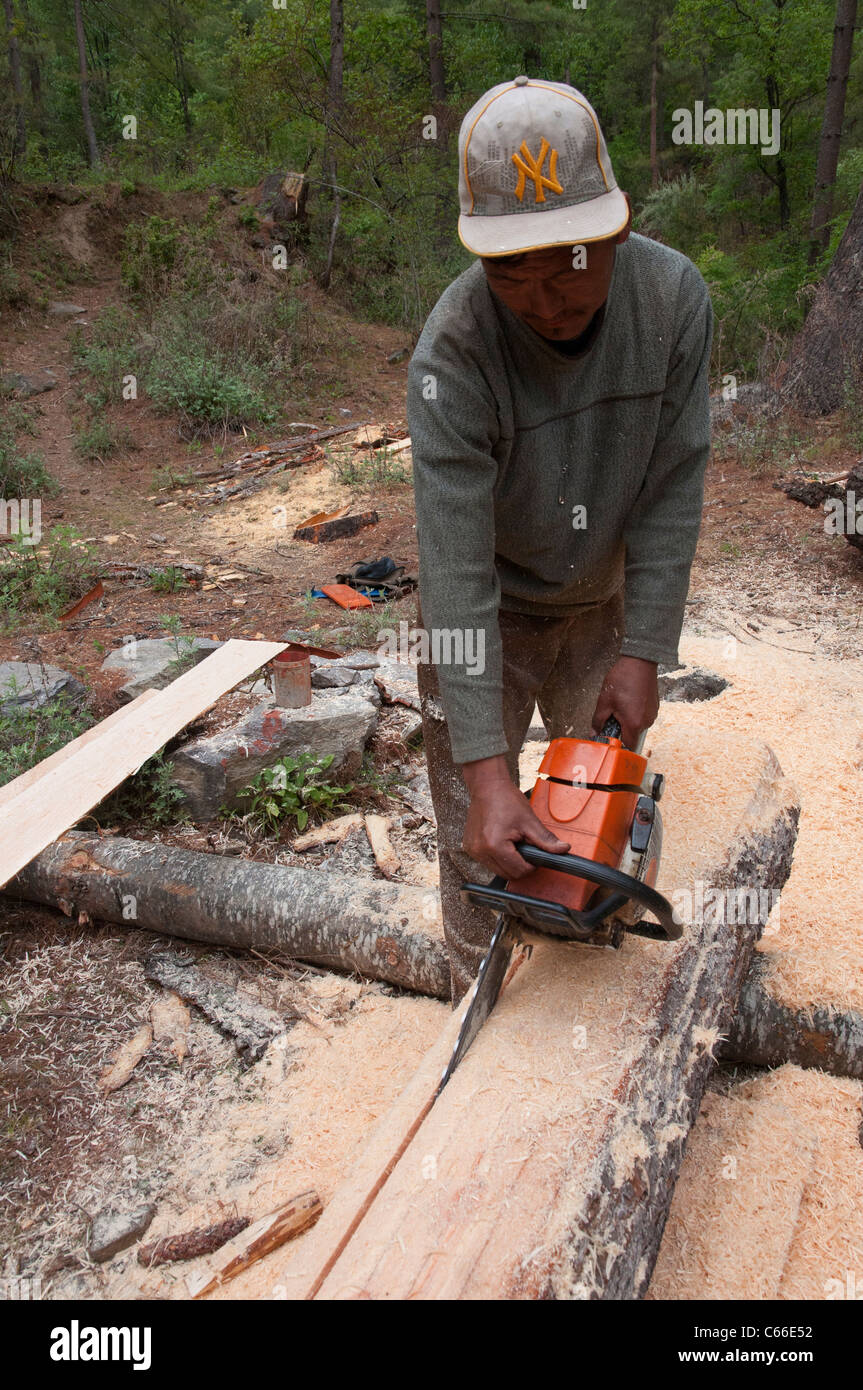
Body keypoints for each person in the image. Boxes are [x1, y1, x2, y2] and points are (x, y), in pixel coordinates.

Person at [407, 77, 713, 1003]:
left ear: (616, 231)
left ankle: (584, 1000)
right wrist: (486, 772)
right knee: (484, 830)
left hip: (601, 601)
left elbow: (672, 484)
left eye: (568, 260)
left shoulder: (673, 304)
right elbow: (454, 567)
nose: (542, 298)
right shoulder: (452, 356)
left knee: (598, 821)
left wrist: (643, 647)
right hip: (487, 618)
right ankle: (477, 993)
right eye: (511, 272)